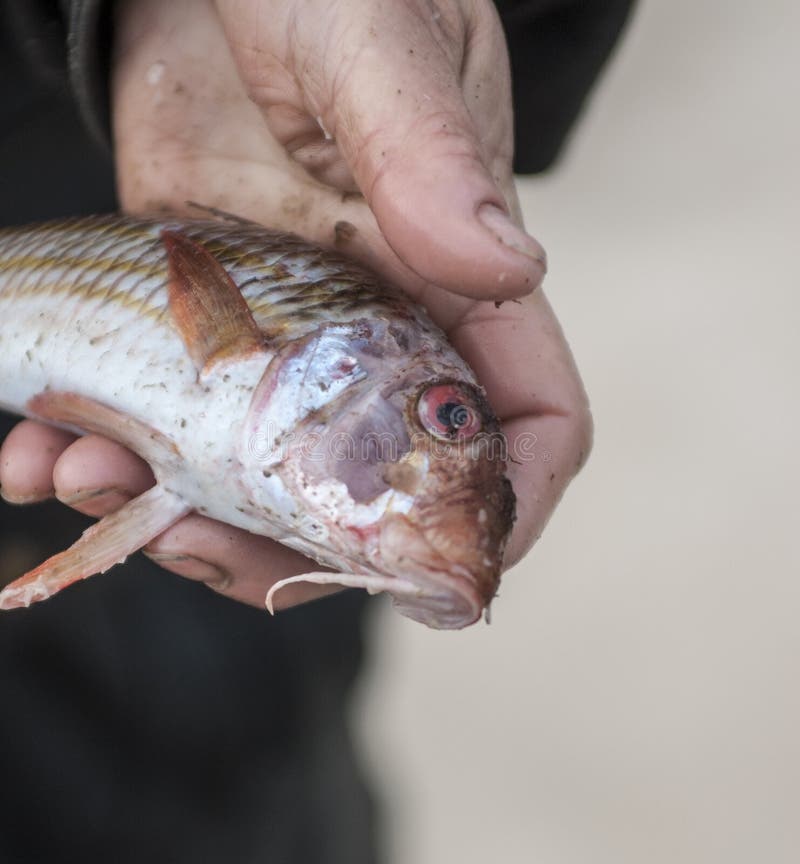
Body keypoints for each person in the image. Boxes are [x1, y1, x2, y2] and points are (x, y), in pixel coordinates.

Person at [0, 1, 634, 861]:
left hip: (103, 111)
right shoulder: (254, 348)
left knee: (218, 768)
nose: (445, 470)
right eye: (444, 418)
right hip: (75, 140)